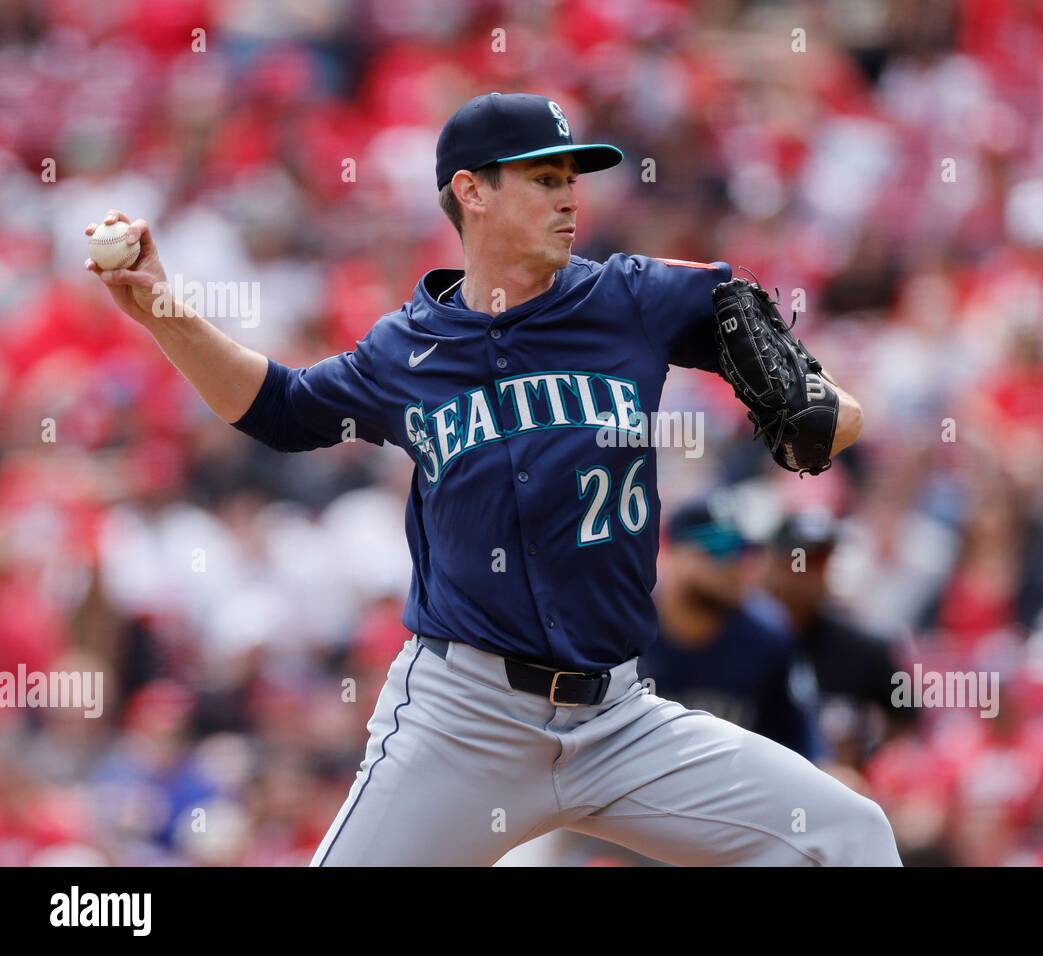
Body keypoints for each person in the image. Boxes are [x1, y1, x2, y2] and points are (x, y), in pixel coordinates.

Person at [86, 91, 899, 866]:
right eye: (544, 179)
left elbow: (821, 403)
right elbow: (281, 409)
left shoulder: (634, 299)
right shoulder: (406, 350)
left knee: (848, 835)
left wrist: (830, 407)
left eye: (572, 180)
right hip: (463, 720)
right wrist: (165, 310)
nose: (569, 198)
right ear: (471, 192)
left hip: (619, 720)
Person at [639, 499, 824, 761]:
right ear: (673, 554)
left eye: (745, 552)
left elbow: (803, 747)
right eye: (722, 550)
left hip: (735, 790)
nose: (738, 566)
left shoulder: (768, 636)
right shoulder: (625, 628)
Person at [763, 511, 918, 770]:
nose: (811, 572)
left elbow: (906, 717)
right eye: (801, 560)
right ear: (774, 564)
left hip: (838, 787)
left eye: (821, 562)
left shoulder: (861, 648)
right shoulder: (746, 639)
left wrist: (873, 761)